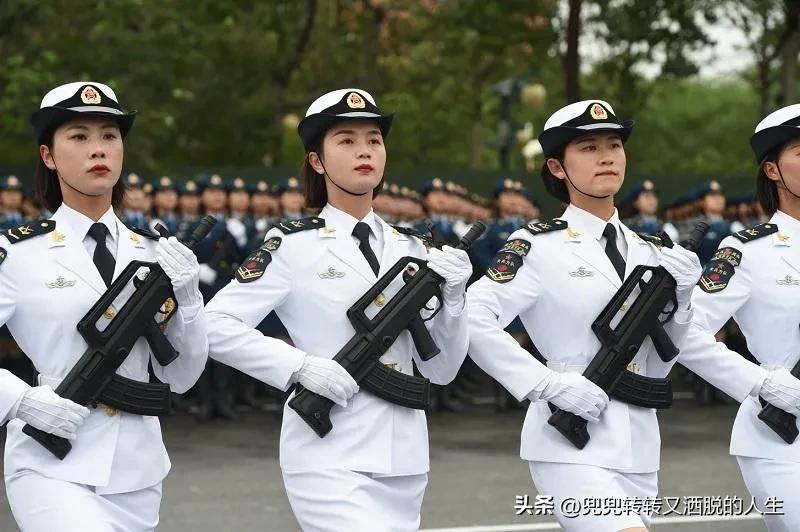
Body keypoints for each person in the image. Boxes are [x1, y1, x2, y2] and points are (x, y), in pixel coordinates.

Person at [205, 88, 472, 531]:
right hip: (327, 451)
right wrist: (299, 366)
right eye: (346, 140)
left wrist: (456, 300)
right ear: (317, 161)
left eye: (373, 140)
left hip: (404, 457)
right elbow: (214, 324)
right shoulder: (293, 245)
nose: (364, 151)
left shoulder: (415, 248)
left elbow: (442, 370)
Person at [466, 100, 703, 531]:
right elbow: (472, 317)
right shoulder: (537, 245)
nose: (607, 156)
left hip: (639, 441)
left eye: (614, 145)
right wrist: (545, 383)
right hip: (569, 440)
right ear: (557, 167)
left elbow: (662, 359)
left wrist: (684, 301)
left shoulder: (652, 250)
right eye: (589, 148)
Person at [0, 81, 208, 531]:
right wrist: (19, 400)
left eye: (109, 136)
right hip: (51, 465)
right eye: (79, 136)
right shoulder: (17, 254)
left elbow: (182, 377)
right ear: (48, 156)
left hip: (137, 471)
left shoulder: (156, 252)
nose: (98, 149)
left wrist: (190, 299)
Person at [677, 103, 800, 531]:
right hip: (784, 435)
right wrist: (762, 383)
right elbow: (685, 332)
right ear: (772, 170)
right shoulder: (748, 250)